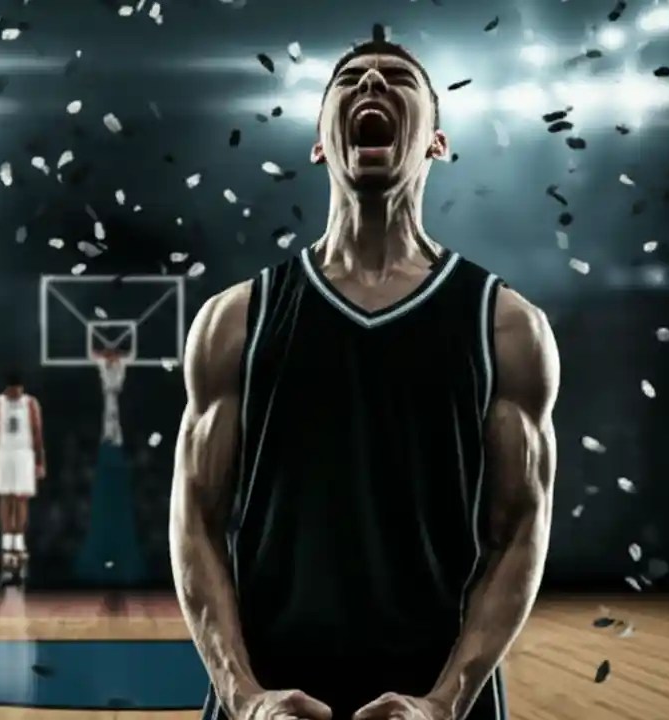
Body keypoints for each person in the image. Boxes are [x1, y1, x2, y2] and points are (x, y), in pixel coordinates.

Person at [169, 38, 560, 720]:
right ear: (320, 143)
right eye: (348, 78)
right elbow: (195, 519)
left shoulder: (506, 326)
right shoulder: (235, 320)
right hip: (267, 703)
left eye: (399, 78)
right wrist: (244, 697)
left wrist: (445, 702)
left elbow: (519, 533)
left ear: (436, 143)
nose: (373, 78)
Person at [0, 371, 46, 585]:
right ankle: (7, 543)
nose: (15, 394)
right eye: (12, 391)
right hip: (5, 453)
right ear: (7, 388)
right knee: (5, 499)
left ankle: (19, 544)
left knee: (20, 499)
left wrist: (40, 462)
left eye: (18, 390)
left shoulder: (30, 403)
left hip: (24, 453)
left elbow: (37, 433)